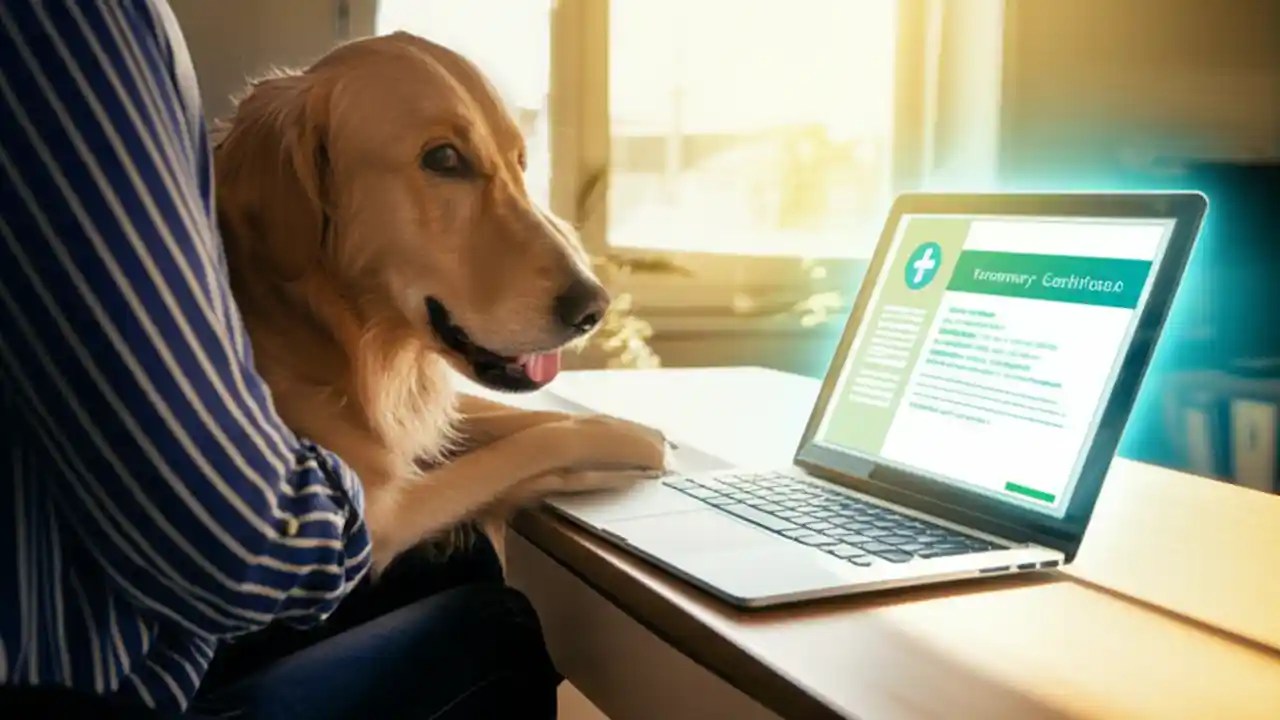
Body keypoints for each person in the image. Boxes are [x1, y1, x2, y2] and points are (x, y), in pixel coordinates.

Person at [0, 1, 559, 717]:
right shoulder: (73, 22)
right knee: (493, 632)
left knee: (455, 563)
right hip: (84, 679)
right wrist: (362, 491)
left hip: (99, 618)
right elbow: (232, 541)